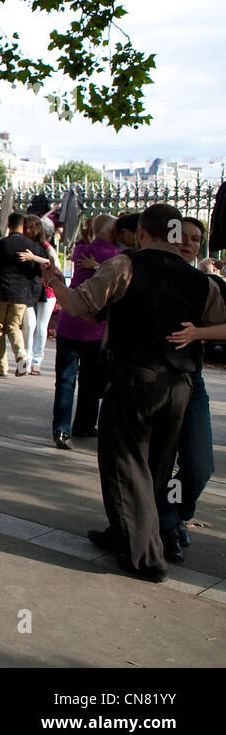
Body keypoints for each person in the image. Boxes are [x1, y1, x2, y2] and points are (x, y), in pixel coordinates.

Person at [46, 204, 226, 582]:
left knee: (124, 462)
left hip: (135, 377)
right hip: (179, 383)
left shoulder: (126, 266)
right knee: (157, 464)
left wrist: (57, 282)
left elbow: (82, 305)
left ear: (143, 232)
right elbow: (217, 321)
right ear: (176, 235)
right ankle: (123, 532)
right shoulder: (201, 280)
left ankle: (145, 557)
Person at [155, 217, 220, 562]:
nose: (187, 242)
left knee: (198, 465)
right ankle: (167, 524)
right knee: (158, 460)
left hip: (190, 380)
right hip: (151, 380)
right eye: (181, 235)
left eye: (196, 239)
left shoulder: (203, 284)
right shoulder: (147, 272)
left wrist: (198, 334)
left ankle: (177, 513)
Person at [51, 214, 120, 448]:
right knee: (90, 381)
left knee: (65, 380)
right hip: (94, 327)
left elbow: (82, 241)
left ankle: (61, 429)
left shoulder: (81, 250)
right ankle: (85, 425)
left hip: (69, 322)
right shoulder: (114, 257)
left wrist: (88, 230)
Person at [0, 212, 44, 377]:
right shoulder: (32, 246)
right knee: (14, 327)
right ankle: (21, 356)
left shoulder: (0, 244)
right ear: (23, 226)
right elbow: (41, 268)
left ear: (8, 225)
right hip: (21, 293)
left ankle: (2, 367)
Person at [19, 214, 58, 375]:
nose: (26, 230)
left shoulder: (46, 247)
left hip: (47, 291)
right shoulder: (23, 244)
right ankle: (25, 360)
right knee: (28, 326)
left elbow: (54, 265)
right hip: (29, 290)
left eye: (28, 227)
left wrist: (33, 257)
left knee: (41, 327)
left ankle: (36, 360)